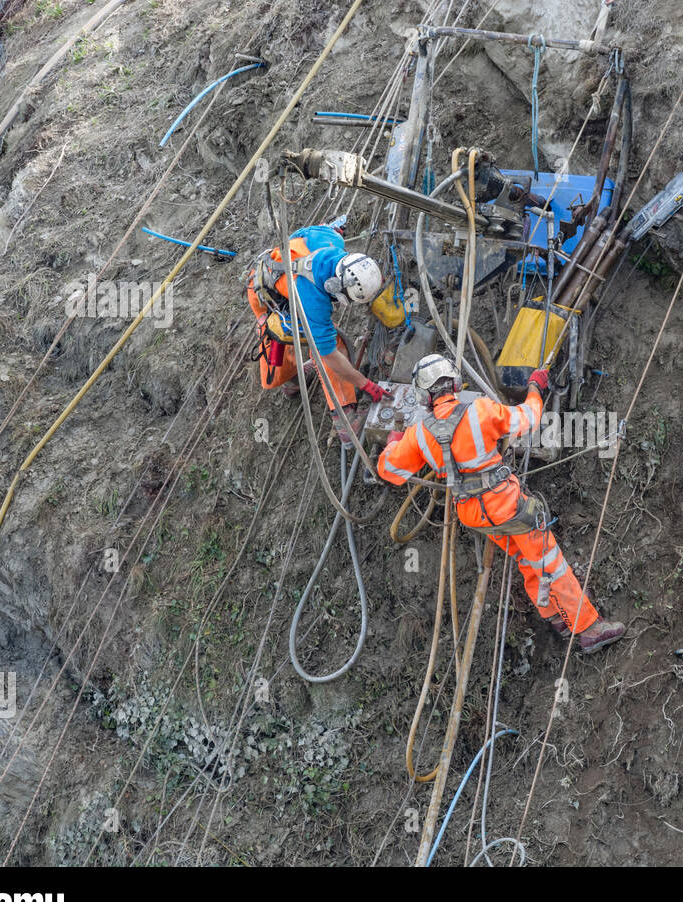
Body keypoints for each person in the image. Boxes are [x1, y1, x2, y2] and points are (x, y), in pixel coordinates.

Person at [376, 353, 626, 653]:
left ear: (424, 395)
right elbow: (530, 418)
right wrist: (535, 387)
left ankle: (556, 617)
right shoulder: (480, 410)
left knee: (525, 557)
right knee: (549, 562)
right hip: (505, 505)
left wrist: (393, 441)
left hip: (472, 514)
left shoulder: (418, 434)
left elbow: (388, 471)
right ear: (455, 384)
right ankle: (586, 628)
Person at [246, 216, 390, 440]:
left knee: (316, 339)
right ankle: (345, 419)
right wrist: (366, 384)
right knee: (326, 348)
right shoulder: (312, 296)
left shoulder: (330, 238)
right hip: (267, 297)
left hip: (280, 281)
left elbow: (305, 233)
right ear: (335, 285)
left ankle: (295, 380)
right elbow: (329, 354)